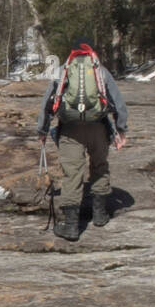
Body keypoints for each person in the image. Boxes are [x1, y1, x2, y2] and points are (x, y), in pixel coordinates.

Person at [35, 37, 128, 241]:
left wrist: (42, 131)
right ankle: (100, 215)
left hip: (70, 130)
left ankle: (71, 226)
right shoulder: (100, 71)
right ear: (90, 51)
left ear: (73, 52)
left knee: (73, 174)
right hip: (99, 128)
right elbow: (118, 103)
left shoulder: (62, 70)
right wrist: (121, 129)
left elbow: (47, 104)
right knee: (100, 166)